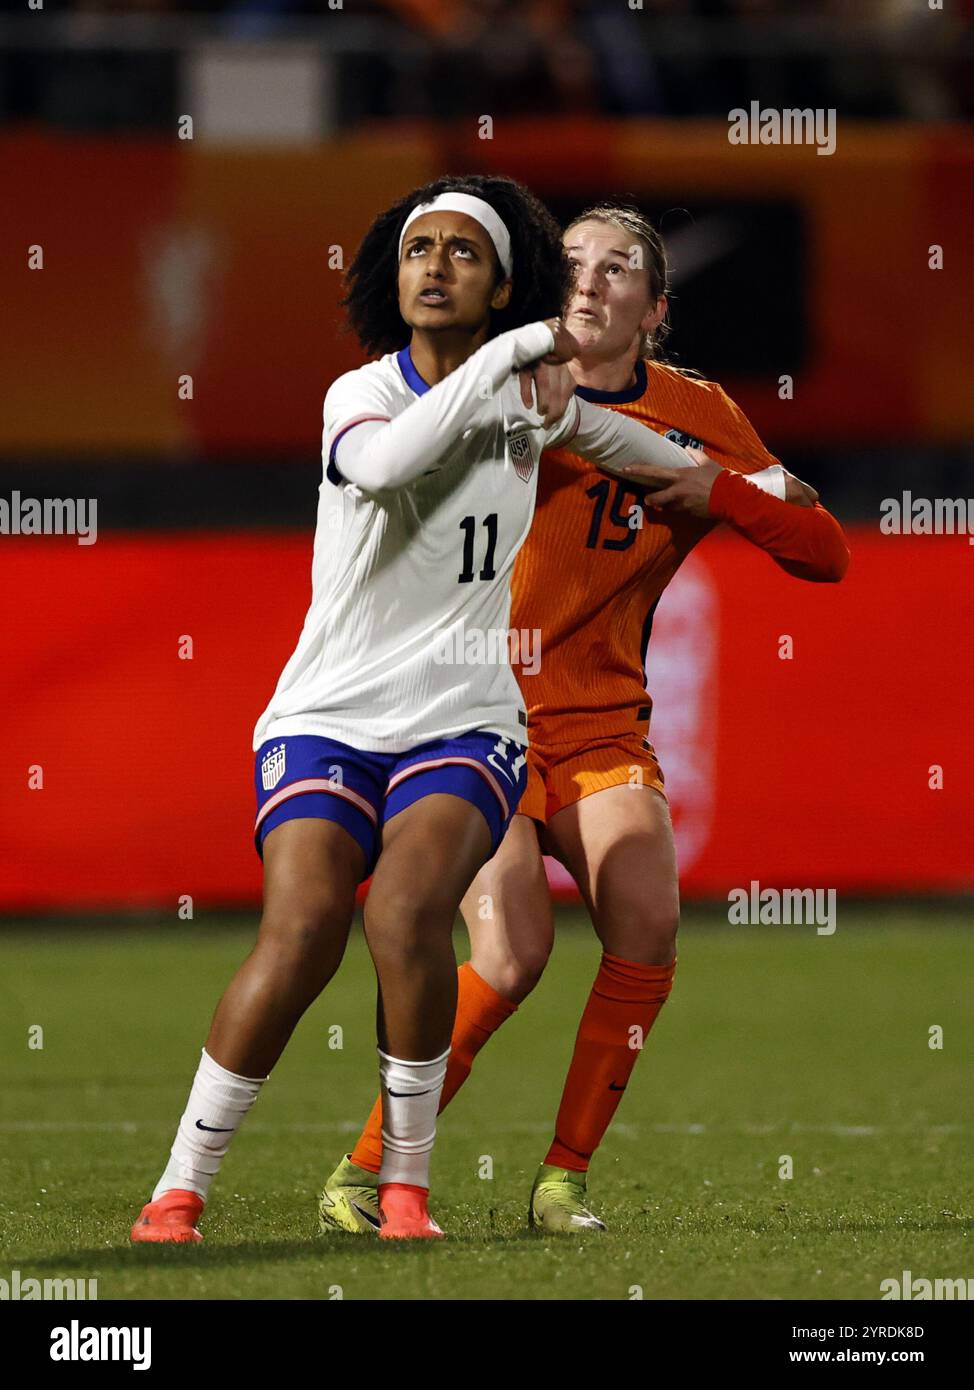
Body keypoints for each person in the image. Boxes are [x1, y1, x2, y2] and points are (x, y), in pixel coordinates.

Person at [129, 179, 712, 1244]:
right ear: (391, 280)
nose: (433, 265)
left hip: (466, 719)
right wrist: (513, 355)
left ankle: (401, 1190)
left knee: (403, 915)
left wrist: (751, 491)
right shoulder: (359, 397)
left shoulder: (538, 410)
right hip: (329, 710)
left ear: (497, 282)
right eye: (415, 249)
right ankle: (180, 1186)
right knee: (302, 929)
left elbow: (668, 460)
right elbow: (391, 466)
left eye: (461, 251)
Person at [317, 203, 849, 1235]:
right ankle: (367, 1168)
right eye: (569, 262)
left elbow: (821, 548)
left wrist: (724, 491)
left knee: (645, 923)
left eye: (617, 268)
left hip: (600, 719)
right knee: (511, 953)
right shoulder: (495, 384)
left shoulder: (698, 411)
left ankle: (562, 1181)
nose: (590, 280)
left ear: (653, 308)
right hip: (473, 714)